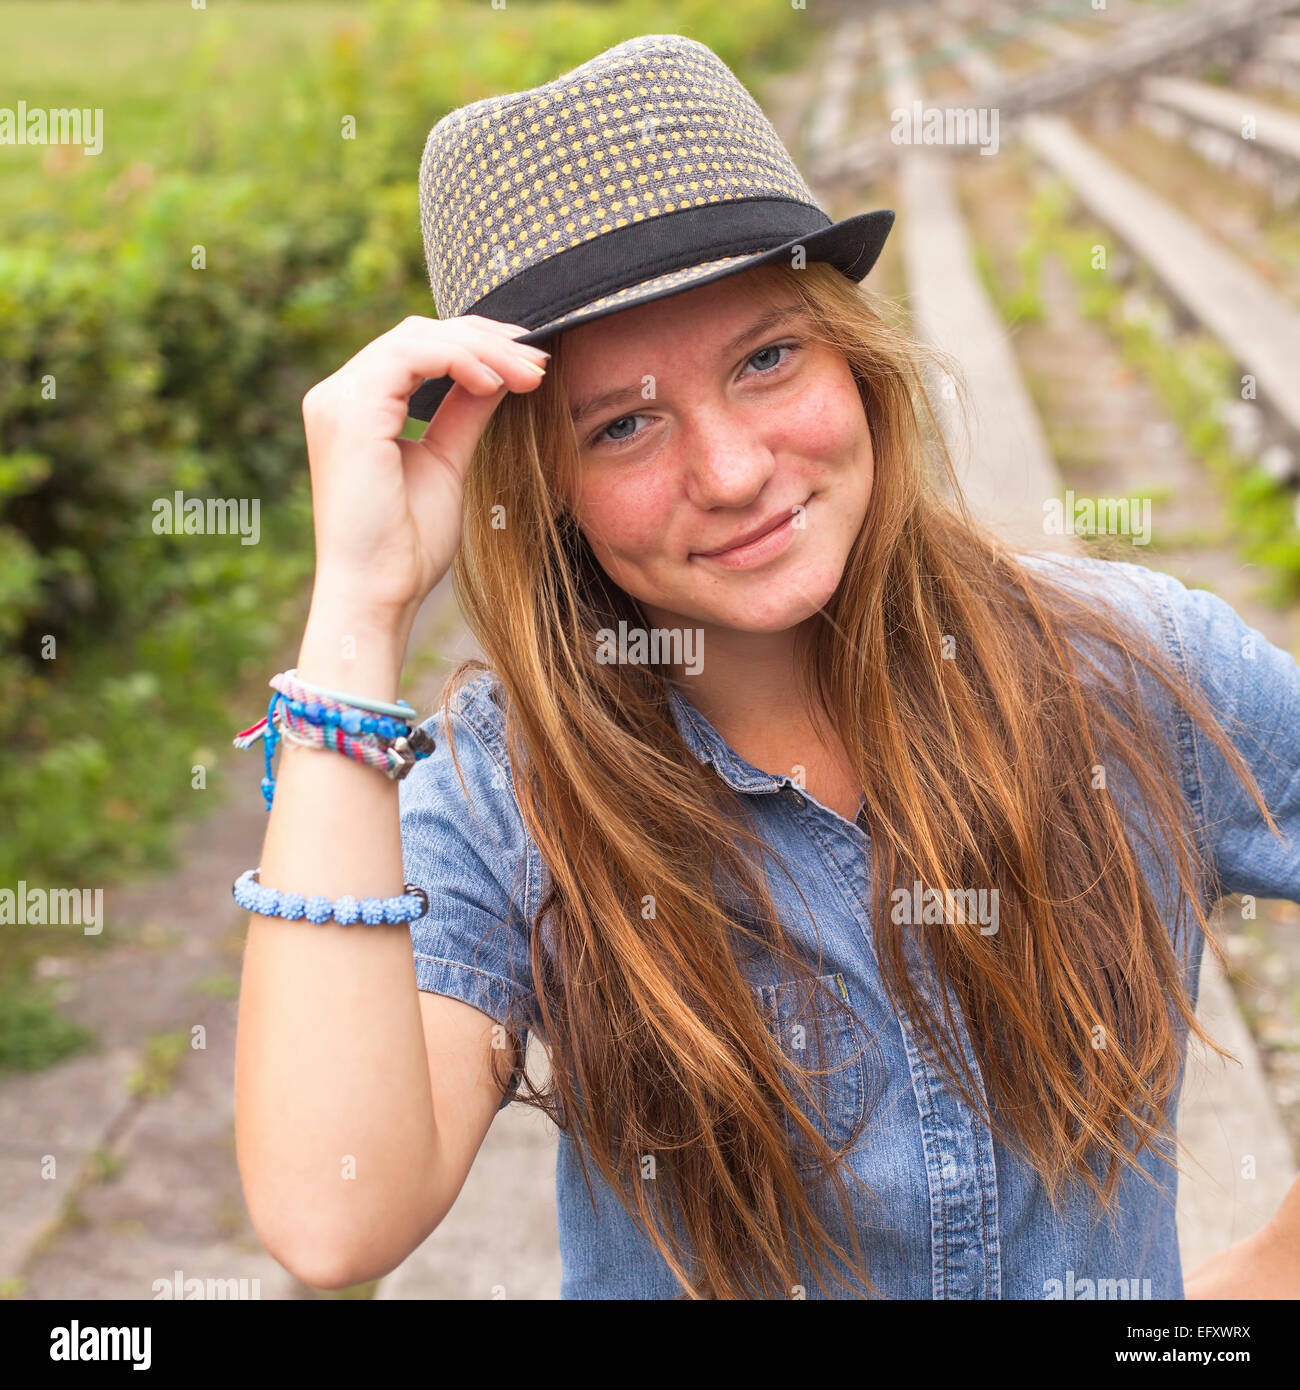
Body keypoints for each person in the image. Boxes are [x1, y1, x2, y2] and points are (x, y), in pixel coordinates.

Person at [233, 34, 1300, 1300]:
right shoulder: (504, 806)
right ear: (545, 488)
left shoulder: (1131, 670)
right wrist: (358, 609)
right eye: (623, 423)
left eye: (765, 359)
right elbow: (331, 1217)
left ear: (854, 357)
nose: (733, 472)